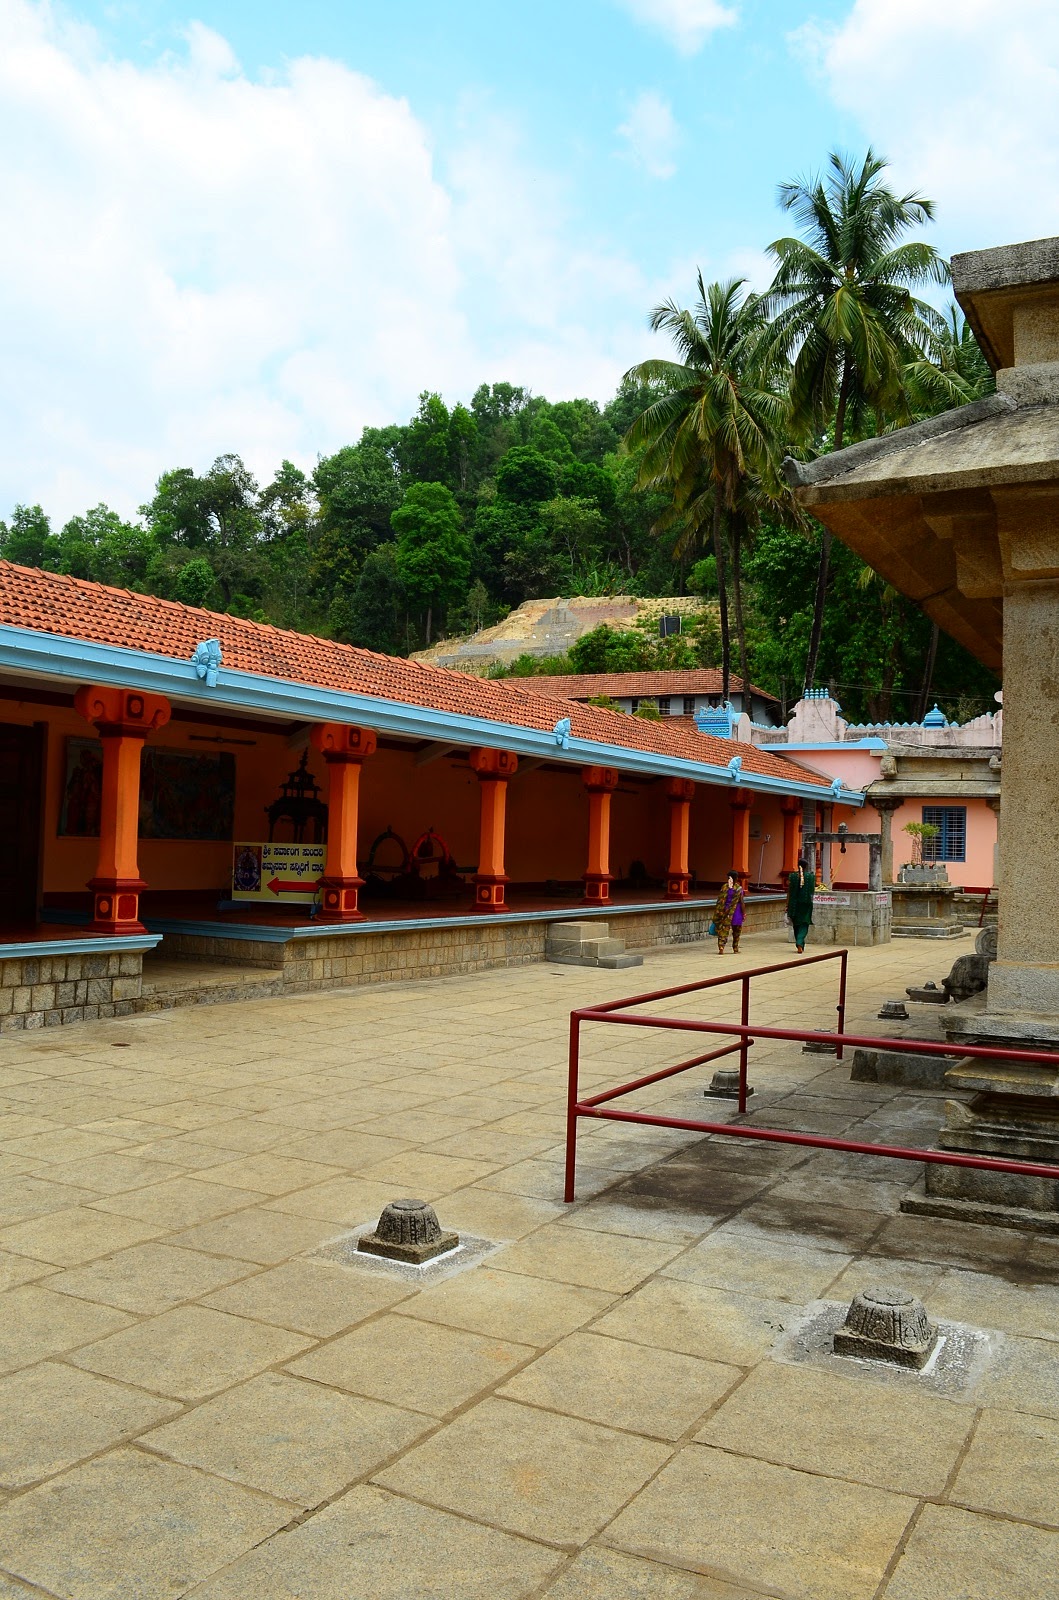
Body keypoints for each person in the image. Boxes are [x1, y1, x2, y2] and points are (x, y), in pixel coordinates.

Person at [787, 856, 816, 952]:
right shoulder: (811, 877)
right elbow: (812, 891)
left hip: (794, 904)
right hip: (806, 904)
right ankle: (800, 942)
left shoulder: (792, 876)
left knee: (796, 924)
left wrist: (787, 904)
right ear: (806, 866)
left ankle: (799, 944)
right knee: (804, 923)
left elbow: (789, 892)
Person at [712, 871, 745, 955]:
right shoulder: (738, 888)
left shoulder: (724, 887)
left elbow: (720, 900)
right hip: (736, 911)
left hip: (725, 912)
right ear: (736, 878)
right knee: (736, 931)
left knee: (723, 930)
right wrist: (743, 913)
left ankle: (721, 947)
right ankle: (735, 948)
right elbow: (741, 902)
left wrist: (718, 912)